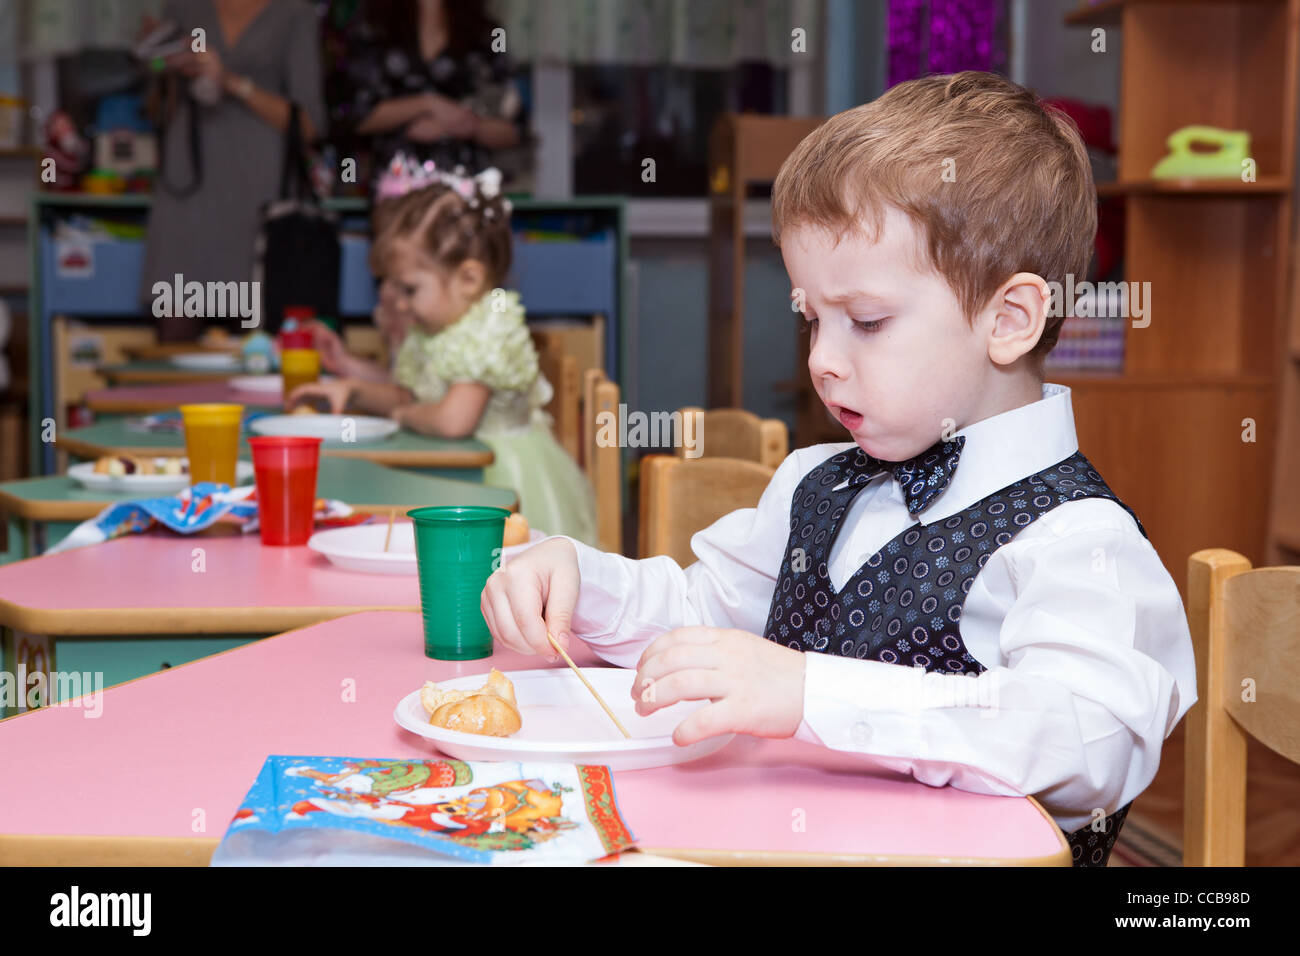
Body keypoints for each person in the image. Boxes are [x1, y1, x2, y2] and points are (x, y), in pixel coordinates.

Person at [480, 72, 1198, 867]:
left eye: (865, 321)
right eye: (812, 319)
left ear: (1010, 318)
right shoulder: (815, 483)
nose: (821, 360)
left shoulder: (1078, 539)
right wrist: (581, 577)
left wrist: (810, 693)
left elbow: (1086, 739)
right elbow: (705, 618)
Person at [288, 168, 597, 546]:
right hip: (451, 470)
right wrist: (352, 388)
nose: (399, 302)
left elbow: (452, 421)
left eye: (410, 288)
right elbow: (406, 391)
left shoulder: (489, 324)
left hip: (498, 478)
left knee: (497, 579)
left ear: (468, 279)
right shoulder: (432, 326)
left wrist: (402, 416)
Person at [140, 0, 325, 341]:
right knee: (175, 322)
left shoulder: (294, 13)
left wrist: (229, 81)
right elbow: (155, 105)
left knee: (256, 335)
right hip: (188, 184)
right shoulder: (183, 8)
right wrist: (158, 60)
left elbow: (309, 125)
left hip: (258, 189)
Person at [332, 0, 522, 183]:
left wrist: (465, 125)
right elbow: (351, 116)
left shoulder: (487, 32)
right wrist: (427, 105)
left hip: (469, 188)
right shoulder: (371, 25)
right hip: (394, 189)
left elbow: (515, 129)